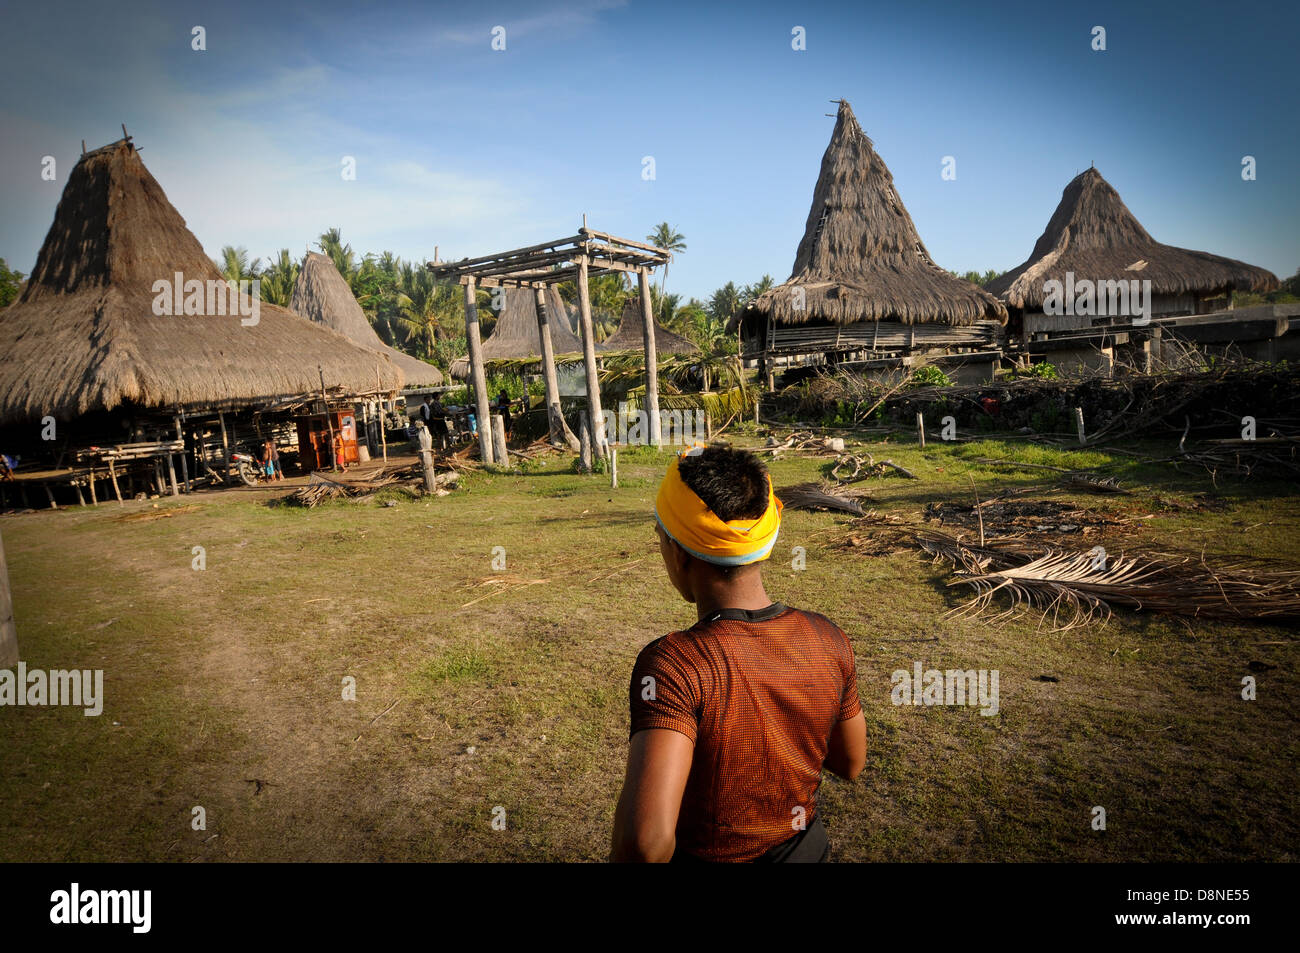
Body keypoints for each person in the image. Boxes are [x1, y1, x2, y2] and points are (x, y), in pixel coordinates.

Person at [610, 445, 867, 863]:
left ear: (677, 552)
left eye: (660, 536)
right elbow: (851, 762)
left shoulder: (677, 664)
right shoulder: (827, 638)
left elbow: (645, 844)